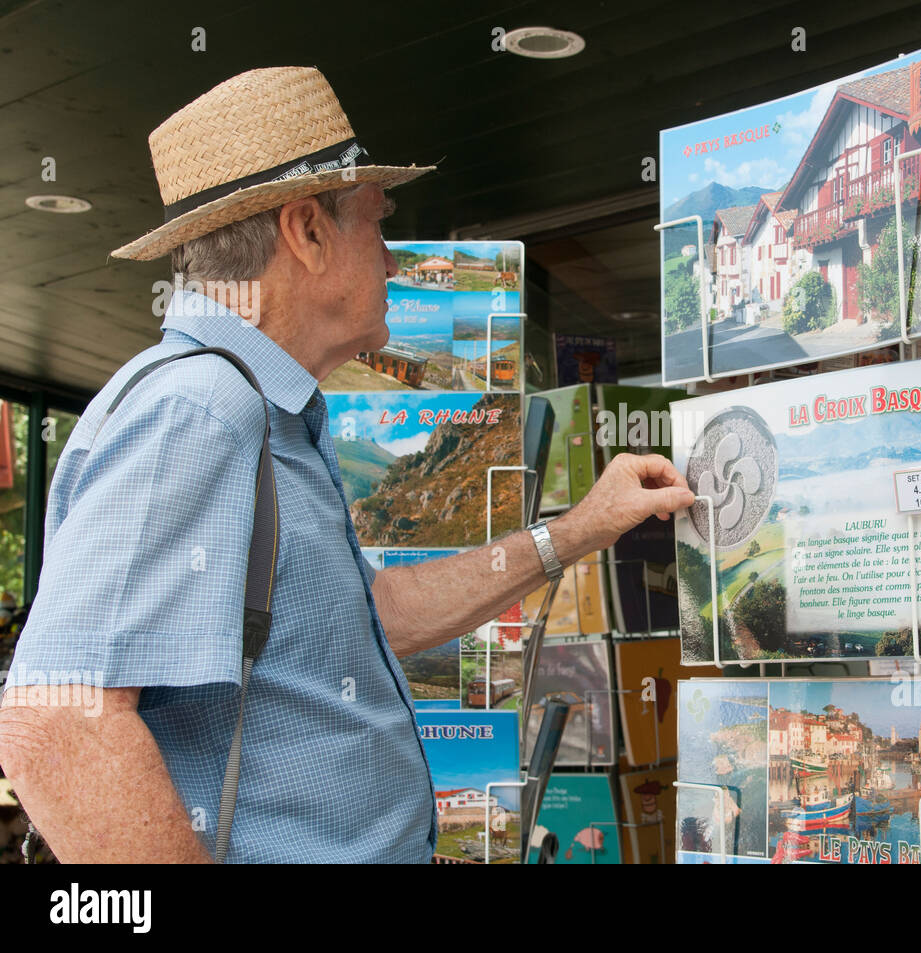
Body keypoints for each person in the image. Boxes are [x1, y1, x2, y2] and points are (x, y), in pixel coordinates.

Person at [0, 67, 694, 863]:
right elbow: (54, 721)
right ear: (308, 231)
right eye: (377, 223)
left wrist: (577, 530)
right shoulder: (198, 410)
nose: (393, 259)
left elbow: (375, 612)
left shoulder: (266, 411)